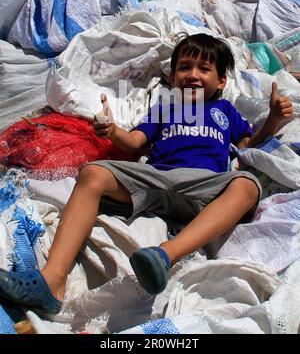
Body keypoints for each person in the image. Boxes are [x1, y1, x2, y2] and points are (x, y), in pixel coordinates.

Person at [0, 33, 293, 313]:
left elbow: (247, 146)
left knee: (248, 185)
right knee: (93, 173)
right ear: (173, 76)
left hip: (205, 188)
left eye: (204, 69)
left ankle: (164, 255)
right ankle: (52, 281)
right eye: (184, 67)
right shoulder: (164, 107)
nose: (192, 74)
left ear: (221, 82)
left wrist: (273, 122)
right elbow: (135, 142)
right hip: (156, 180)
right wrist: (112, 131)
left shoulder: (226, 110)